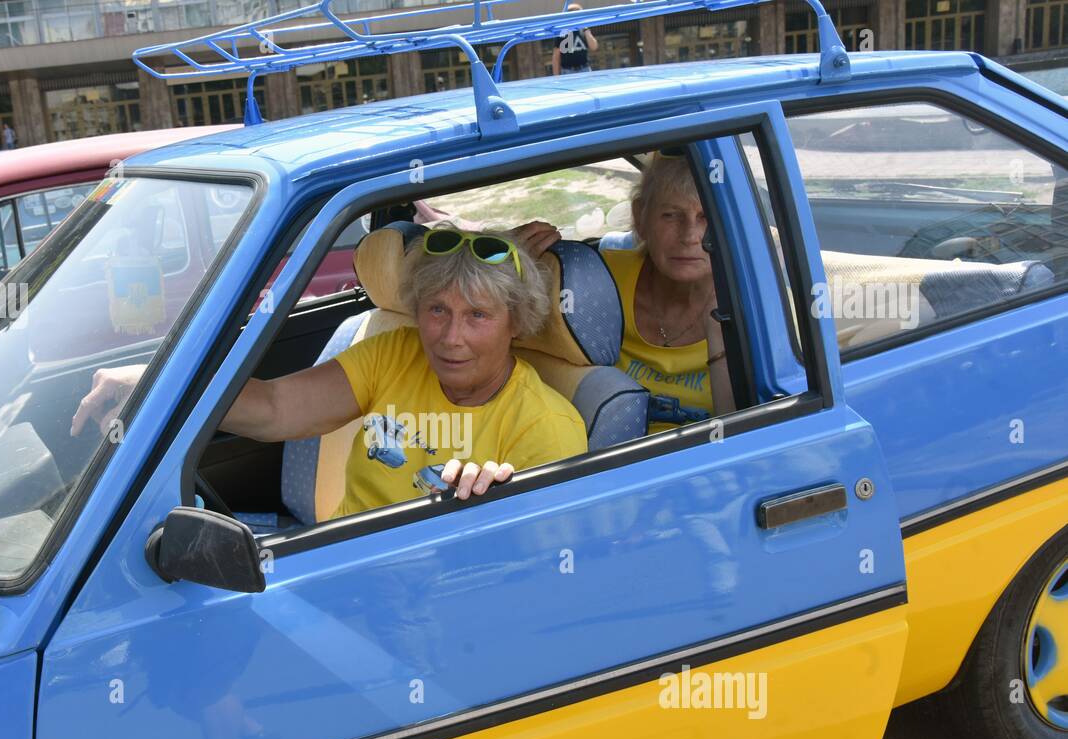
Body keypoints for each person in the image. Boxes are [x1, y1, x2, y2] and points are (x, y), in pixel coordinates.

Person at [72, 225, 588, 516]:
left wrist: (487, 504)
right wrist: (157, 382)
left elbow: (536, 573)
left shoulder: (546, 428)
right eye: (437, 310)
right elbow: (274, 409)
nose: (450, 337)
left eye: (477, 316)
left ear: (516, 322)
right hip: (337, 564)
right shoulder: (395, 352)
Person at [514, 151, 735, 433]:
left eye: (705, 217)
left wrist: (720, 337)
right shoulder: (593, 280)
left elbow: (742, 432)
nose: (690, 235)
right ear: (640, 218)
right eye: (671, 215)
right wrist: (507, 267)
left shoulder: (752, 303)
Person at [553, 3, 598, 76]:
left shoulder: (584, 29)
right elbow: (556, 56)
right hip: (567, 70)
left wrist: (586, 30)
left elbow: (594, 47)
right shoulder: (563, 31)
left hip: (584, 69)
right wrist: (556, 76)